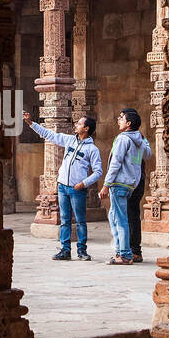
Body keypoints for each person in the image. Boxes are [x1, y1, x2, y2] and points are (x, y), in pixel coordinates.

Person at [23, 109, 101, 261]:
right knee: (65, 219)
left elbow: (98, 172)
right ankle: (65, 250)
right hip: (63, 186)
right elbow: (50, 135)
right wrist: (31, 123)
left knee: (80, 220)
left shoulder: (92, 149)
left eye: (79, 124)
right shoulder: (70, 140)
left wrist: (83, 183)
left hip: (77, 189)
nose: (76, 125)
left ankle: (82, 251)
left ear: (86, 129)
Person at [100, 107, 152, 265]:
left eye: (121, 118)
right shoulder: (140, 140)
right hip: (131, 183)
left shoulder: (123, 139)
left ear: (128, 123)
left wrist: (106, 185)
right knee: (117, 217)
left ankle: (124, 254)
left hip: (119, 182)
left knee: (120, 219)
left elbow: (115, 163)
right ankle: (122, 250)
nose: (118, 120)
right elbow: (148, 155)